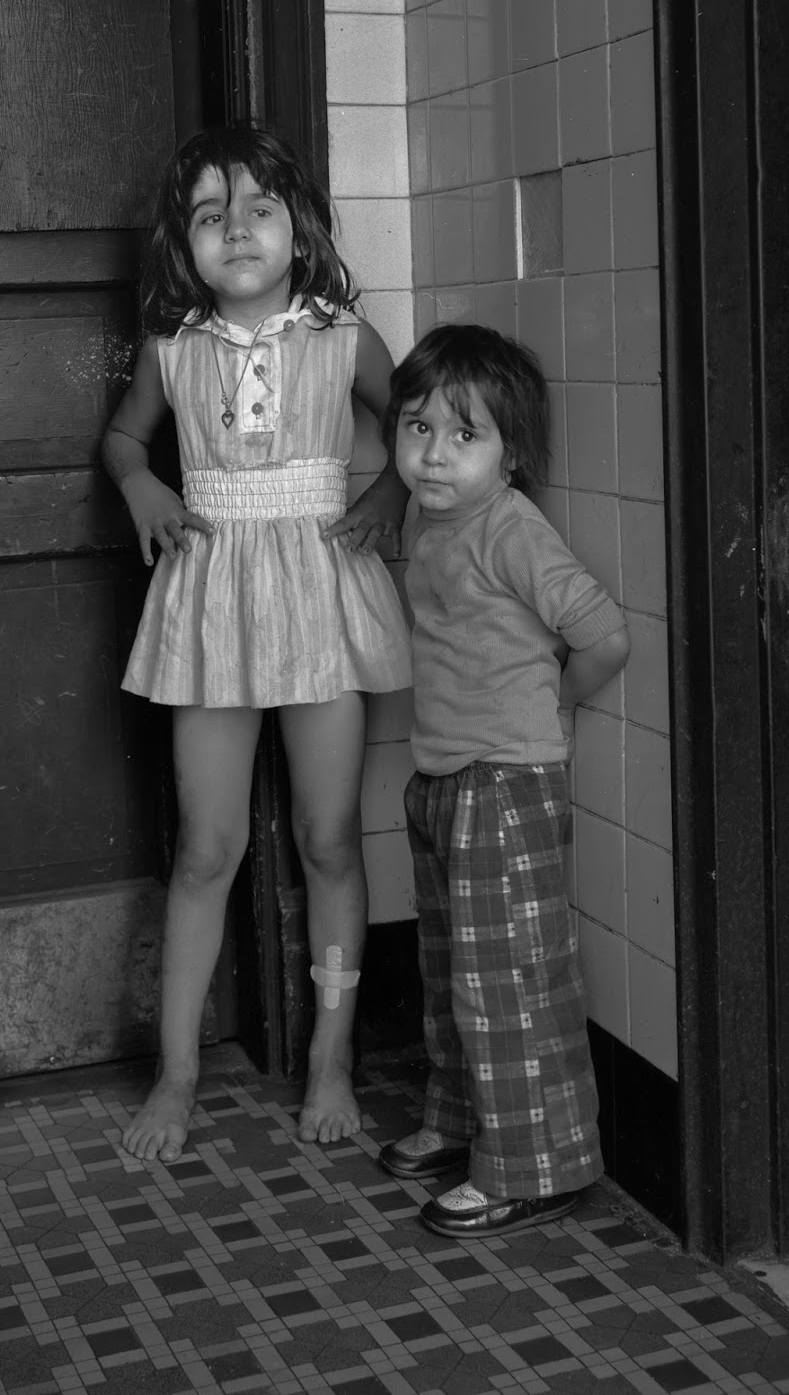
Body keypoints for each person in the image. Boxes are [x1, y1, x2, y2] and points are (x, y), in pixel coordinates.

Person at [101, 124, 412, 1163]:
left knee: (328, 838)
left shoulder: (342, 337)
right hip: (211, 605)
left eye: (257, 210)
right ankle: (177, 1074)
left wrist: (386, 497)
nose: (235, 229)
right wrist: (142, 481)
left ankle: (330, 1056)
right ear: (182, 244)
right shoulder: (171, 348)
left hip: (320, 599)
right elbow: (120, 437)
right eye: (208, 214)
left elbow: (422, 422)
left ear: (297, 228)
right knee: (205, 849)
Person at [376, 323, 630, 1237]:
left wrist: (551, 708)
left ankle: (536, 1166)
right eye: (417, 428)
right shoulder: (428, 514)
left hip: (505, 784)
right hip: (444, 777)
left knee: (507, 981)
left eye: (464, 434)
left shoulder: (512, 528)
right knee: (450, 968)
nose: (434, 453)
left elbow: (604, 634)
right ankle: (464, 1121)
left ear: (512, 454)